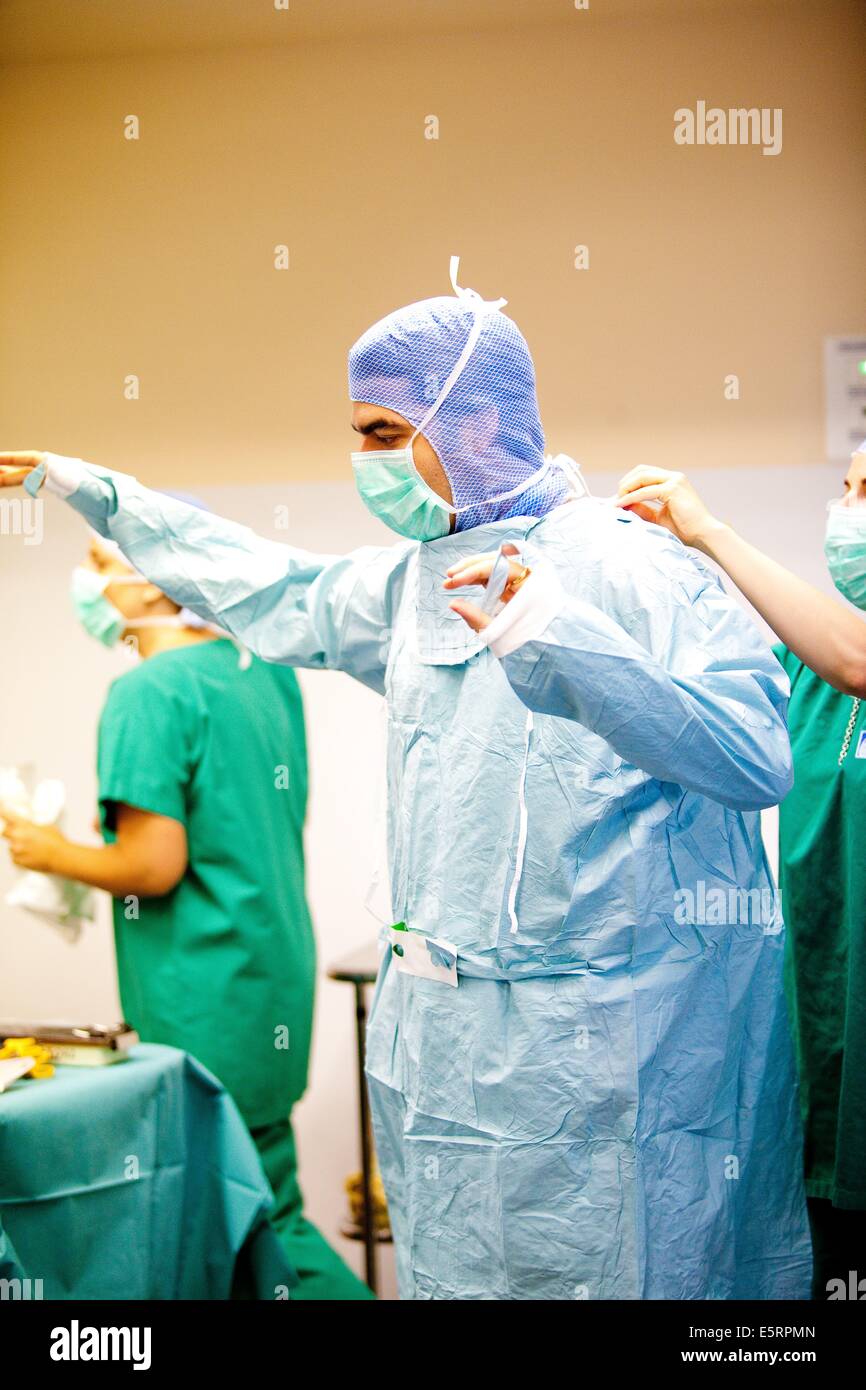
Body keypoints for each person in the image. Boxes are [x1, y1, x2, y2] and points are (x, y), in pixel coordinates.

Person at [0, 261, 811, 1300]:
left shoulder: (629, 567)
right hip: (457, 1062)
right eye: (357, 434)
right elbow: (267, 583)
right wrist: (101, 494)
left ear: (470, 421)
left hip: (620, 1058)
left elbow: (752, 753)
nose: (362, 461)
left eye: (383, 433)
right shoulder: (411, 585)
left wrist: (558, 639)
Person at [1, 527, 373, 1302]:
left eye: (100, 562)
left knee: (258, 1223)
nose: (87, 581)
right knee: (254, 1205)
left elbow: (152, 865)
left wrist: (46, 852)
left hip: (204, 998)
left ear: (154, 586)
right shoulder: (263, 675)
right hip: (268, 983)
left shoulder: (148, 690)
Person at [615, 450, 866, 1300]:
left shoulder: (845, 659)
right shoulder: (810, 674)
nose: (849, 511)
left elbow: (857, 657)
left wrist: (711, 531)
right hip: (826, 1048)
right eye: (847, 489)